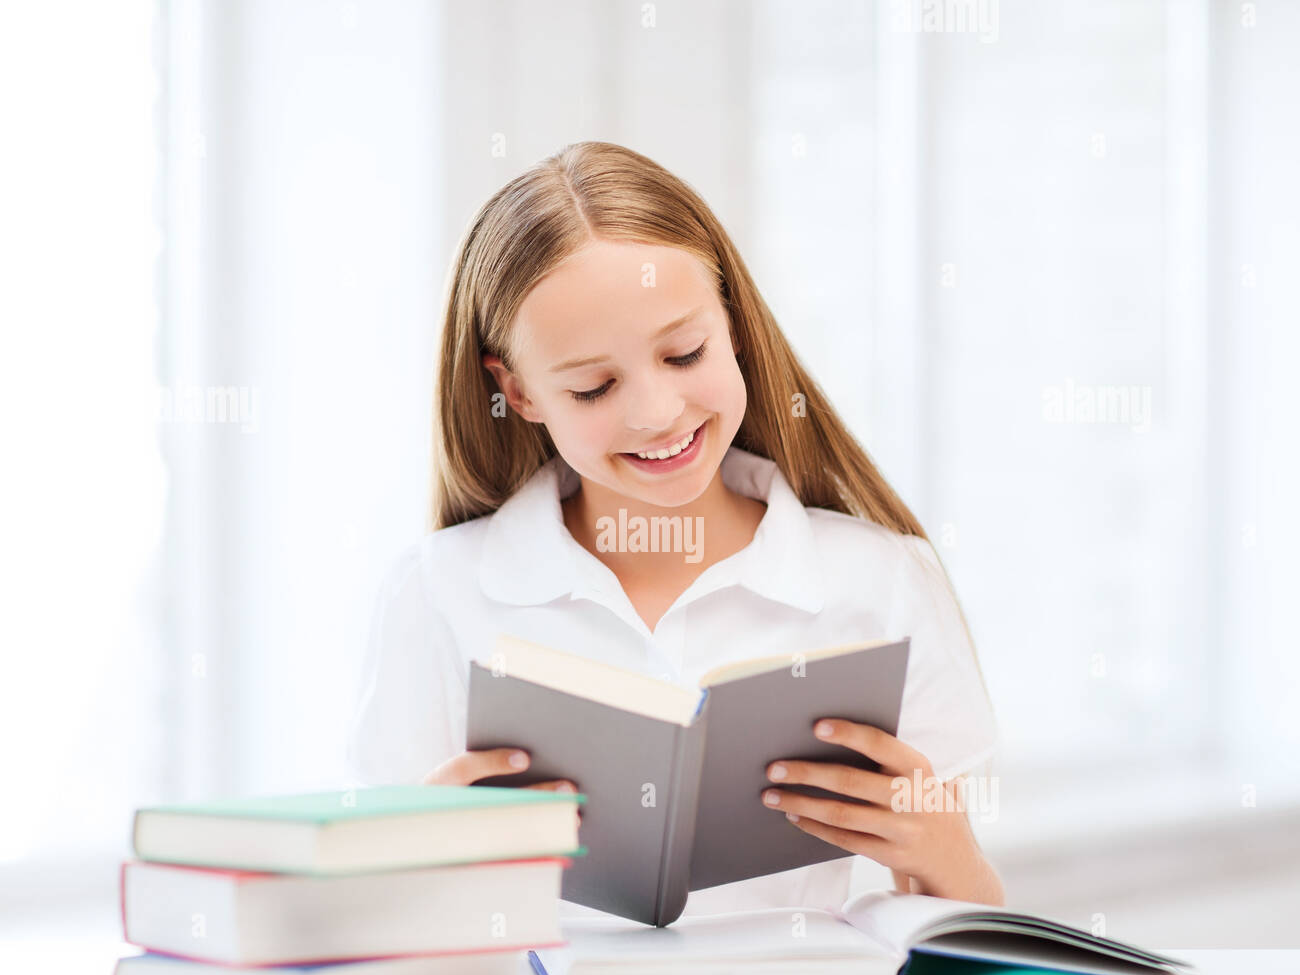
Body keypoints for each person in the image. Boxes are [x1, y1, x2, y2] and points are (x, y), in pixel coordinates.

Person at [347, 140, 1004, 916]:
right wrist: (422, 871)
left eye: (685, 352)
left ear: (732, 323)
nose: (656, 414)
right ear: (518, 391)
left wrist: (946, 853)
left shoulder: (882, 578)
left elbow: (973, 937)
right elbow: (377, 937)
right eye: (593, 388)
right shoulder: (436, 592)